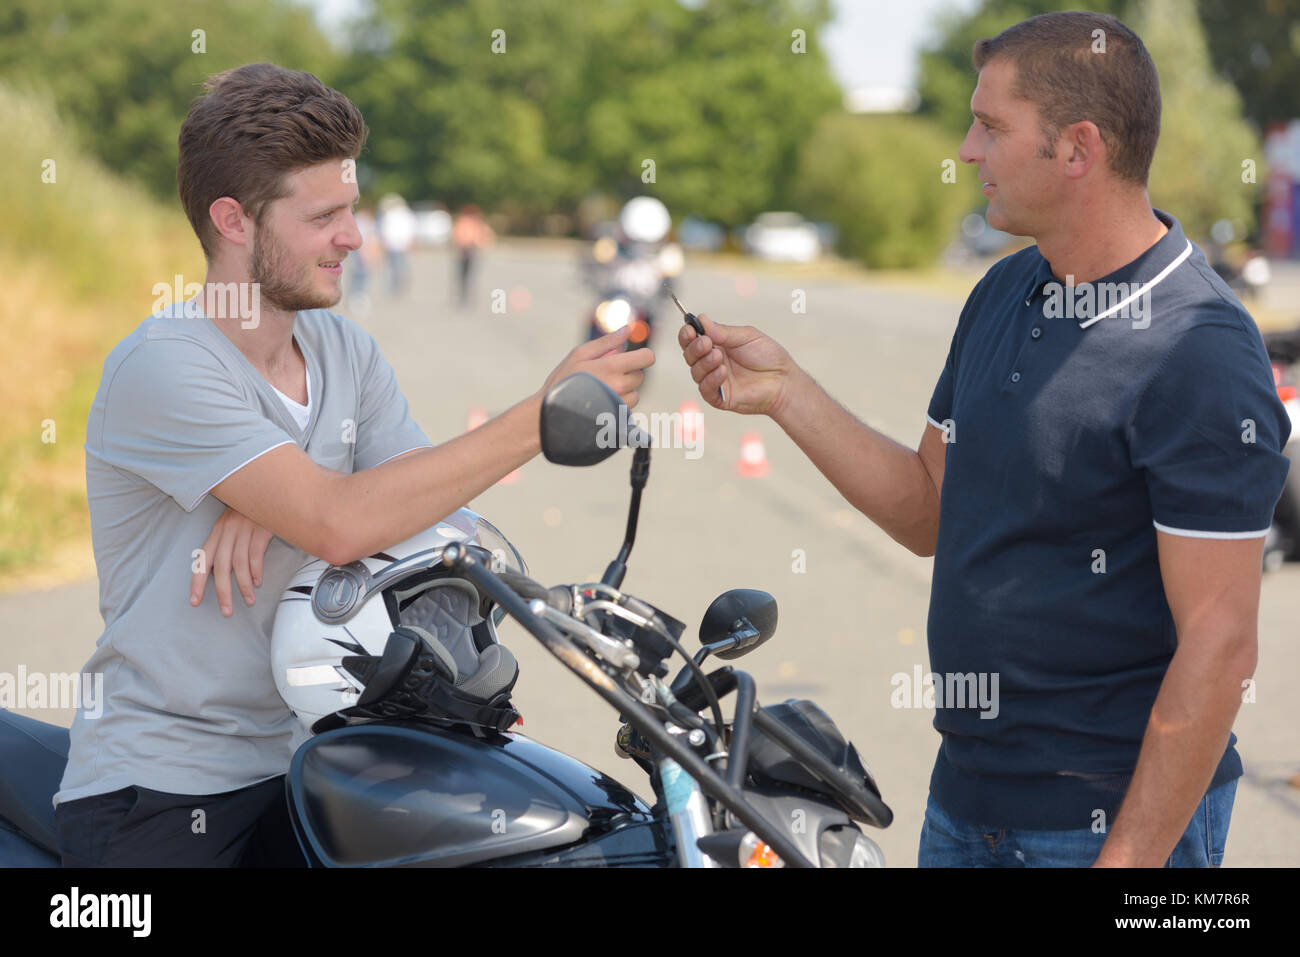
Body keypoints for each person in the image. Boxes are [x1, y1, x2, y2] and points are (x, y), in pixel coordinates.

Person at [678, 11, 1291, 868]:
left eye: (991, 126)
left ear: (1078, 149)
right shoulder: (1004, 291)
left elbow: (1221, 648)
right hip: (966, 798)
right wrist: (785, 392)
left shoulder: (1200, 350)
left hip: (1105, 823)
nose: (966, 149)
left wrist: (1125, 866)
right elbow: (930, 509)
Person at [53, 62, 653, 867]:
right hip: (164, 790)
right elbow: (341, 521)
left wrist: (272, 497)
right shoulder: (162, 367)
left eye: (354, 210)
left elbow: (434, 519)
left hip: (320, 760)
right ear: (233, 220)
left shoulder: (344, 349)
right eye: (324, 215)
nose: (354, 238)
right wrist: (538, 419)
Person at [451, 204, 494, 307]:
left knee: (467, 276)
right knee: (465, 276)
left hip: (470, 251)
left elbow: (486, 236)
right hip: (465, 251)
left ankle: (466, 296)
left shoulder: (473, 223)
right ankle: (464, 296)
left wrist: (479, 244)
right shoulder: (467, 222)